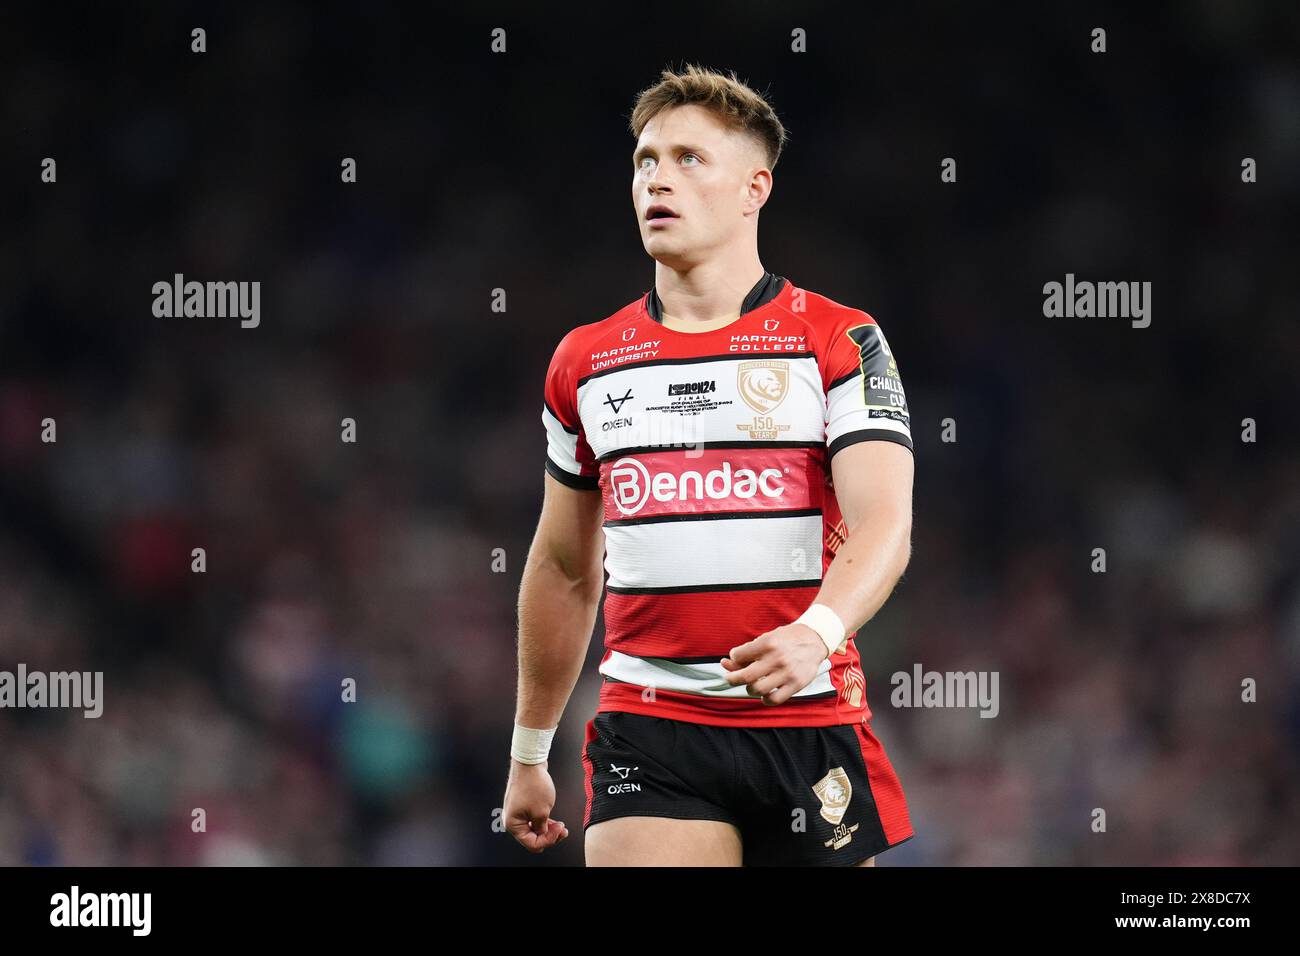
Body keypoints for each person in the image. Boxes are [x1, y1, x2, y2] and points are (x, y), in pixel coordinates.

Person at [504, 64, 915, 866]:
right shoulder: (585, 362)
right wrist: (528, 751)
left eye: (689, 158)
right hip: (649, 727)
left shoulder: (839, 340)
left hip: (806, 719)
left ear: (753, 188)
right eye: (645, 160)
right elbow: (562, 568)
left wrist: (815, 634)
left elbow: (885, 523)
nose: (658, 178)